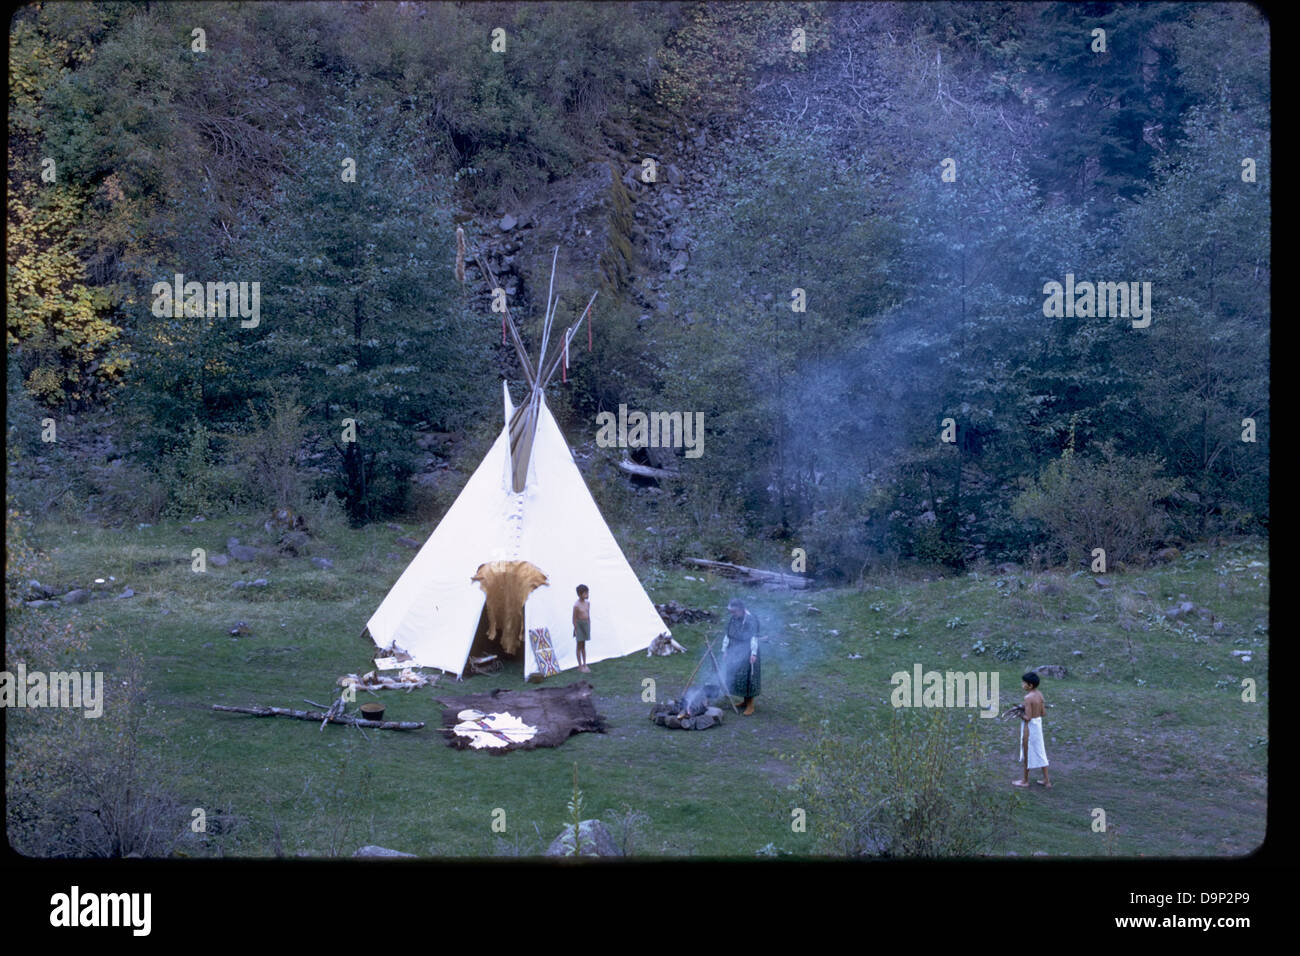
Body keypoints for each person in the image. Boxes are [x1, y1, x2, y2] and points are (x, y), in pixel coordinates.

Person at [720, 597, 760, 715]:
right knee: (739, 676)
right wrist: (725, 650)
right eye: (731, 612)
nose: (732, 614)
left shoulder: (751, 620)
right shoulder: (733, 619)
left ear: (741, 609)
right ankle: (744, 701)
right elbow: (728, 635)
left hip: (748, 650)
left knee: (749, 677)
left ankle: (750, 705)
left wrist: (753, 653)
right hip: (735, 649)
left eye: (734, 611)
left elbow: (754, 637)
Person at [1013, 671, 1051, 788]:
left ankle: (1025, 781)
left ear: (1030, 685)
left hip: (1029, 728)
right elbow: (1043, 712)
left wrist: (1019, 713)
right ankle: (1047, 780)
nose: (1022, 684)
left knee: (1026, 752)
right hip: (1038, 725)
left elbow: (1027, 718)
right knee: (1040, 751)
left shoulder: (1028, 697)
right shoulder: (1039, 694)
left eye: (1024, 683)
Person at [572, 584, 591, 673]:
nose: (587, 595)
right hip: (579, 625)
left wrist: (589, 625)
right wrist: (576, 629)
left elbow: (588, 614)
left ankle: (585, 664)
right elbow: (574, 618)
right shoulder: (576, 605)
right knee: (579, 645)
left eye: (587, 593)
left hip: (586, 624)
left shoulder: (587, 603)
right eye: (585, 593)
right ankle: (580, 665)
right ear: (579, 594)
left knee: (584, 646)